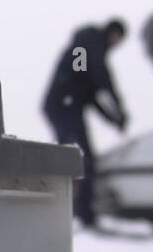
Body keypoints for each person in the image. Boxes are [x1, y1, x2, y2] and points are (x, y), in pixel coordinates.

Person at [43, 19, 128, 227]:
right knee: (79, 159)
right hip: (64, 106)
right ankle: (80, 213)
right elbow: (102, 78)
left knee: (77, 158)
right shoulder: (88, 42)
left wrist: (114, 119)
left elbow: (91, 95)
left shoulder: (85, 55)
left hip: (67, 106)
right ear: (113, 33)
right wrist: (118, 106)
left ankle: (76, 210)